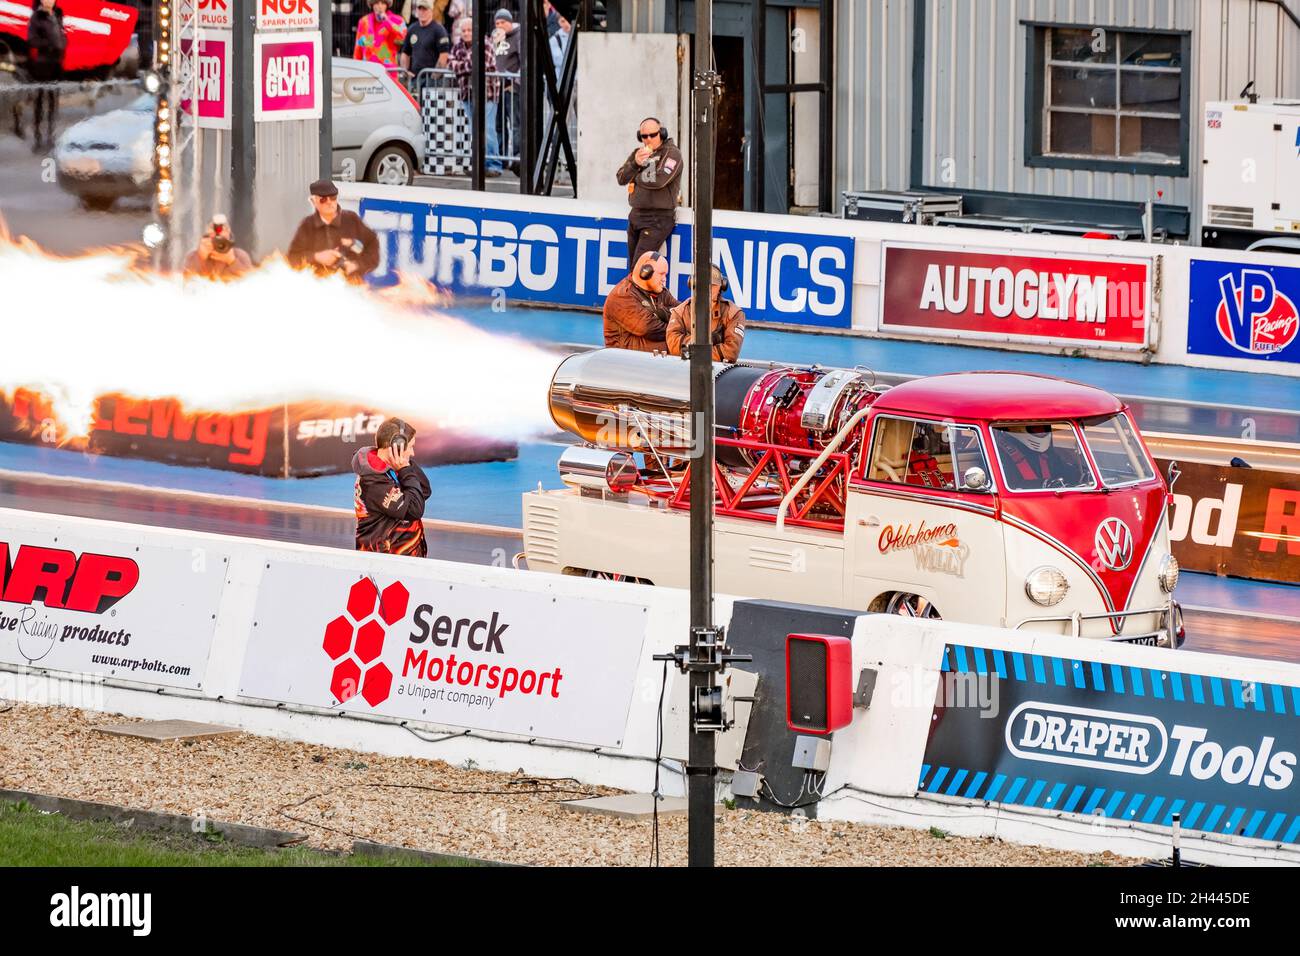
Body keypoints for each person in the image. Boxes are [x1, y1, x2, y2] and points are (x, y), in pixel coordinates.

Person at [353, 417, 432, 557]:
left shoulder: (389, 469)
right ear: (396, 446)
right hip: (386, 563)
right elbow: (415, 510)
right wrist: (405, 468)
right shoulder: (374, 481)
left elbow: (424, 490)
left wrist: (404, 465)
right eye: (411, 447)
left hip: (400, 558)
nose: (412, 453)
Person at [617, 118, 684, 266]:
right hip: (636, 215)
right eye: (644, 136)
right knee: (633, 268)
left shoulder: (672, 154)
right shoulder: (638, 154)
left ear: (662, 134)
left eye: (652, 135)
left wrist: (636, 177)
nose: (648, 139)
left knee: (640, 268)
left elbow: (659, 180)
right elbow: (621, 178)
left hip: (657, 218)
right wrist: (635, 164)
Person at [286, 179, 381, 281]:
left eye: (333, 198)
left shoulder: (351, 219)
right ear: (313, 201)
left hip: (352, 289)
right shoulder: (307, 225)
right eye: (323, 200)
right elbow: (292, 258)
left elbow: (372, 243)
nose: (329, 202)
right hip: (317, 287)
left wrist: (357, 265)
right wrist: (317, 257)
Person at [449, 16, 503, 176]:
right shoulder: (458, 45)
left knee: (488, 129)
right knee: (475, 130)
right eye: (463, 30)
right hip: (467, 93)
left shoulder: (485, 43)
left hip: (487, 92)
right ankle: (480, 165)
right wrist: (465, 65)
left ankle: (494, 165)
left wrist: (461, 65)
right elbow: (450, 63)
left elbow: (478, 65)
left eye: (469, 30)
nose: (466, 33)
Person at [665, 264, 745, 363]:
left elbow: (730, 353)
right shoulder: (680, 311)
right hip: (684, 370)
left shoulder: (734, 313)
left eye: (713, 285)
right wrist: (711, 341)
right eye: (702, 284)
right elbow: (673, 346)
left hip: (718, 372)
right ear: (693, 284)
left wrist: (690, 347)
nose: (707, 289)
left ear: (722, 286)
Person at [603, 251, 679, 353]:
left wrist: (664, 313)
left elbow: (681, 311)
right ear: (645, 272)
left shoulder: (659, 290)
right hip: (624, 360)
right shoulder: (622, 295)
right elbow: (651, 329)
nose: (664, 279)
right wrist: (678, 326)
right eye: (661, 274)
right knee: (681, 344)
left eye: (665, 275)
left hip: (647, 357)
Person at [24, 0, 66, 151]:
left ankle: (51, 136)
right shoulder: (37, 17)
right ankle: (38, 139)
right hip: (43, 64)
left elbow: (61, 34)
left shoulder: (58, 14)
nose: (49, 0)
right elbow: (31, 39)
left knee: (53, 102)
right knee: (40, 102)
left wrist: (62, 45)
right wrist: (49, 45)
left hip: (56, 64)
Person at [993, 425, 1088, 490]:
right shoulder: (997, 454)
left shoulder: (1047, 453)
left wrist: (1082, 476)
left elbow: (1062, 469)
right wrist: (1045, 484)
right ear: (1018, 428)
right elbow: (1010, 485)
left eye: (1045, 427)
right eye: (1037, 428)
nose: (1043, 432)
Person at [491, 8, 521, 168]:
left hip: (512, 87)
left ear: (510, 22)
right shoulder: (495, 37)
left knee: (515, 124)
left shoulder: (518, 35)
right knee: (498, 125)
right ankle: (501, 159)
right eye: (497, 23)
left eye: (503, 22)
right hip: (496, 88)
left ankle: (517, 158)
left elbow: (523, 61)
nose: (500, 25)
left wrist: (515, 83)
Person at [183, 214, 253, 280]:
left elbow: (250, 281)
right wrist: (201, 258)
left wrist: (232, 261)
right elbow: (188, 280)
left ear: (229, 233)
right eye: (214, 231)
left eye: (224, 230)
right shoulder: (193, 256)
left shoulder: (240, 255)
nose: (219, 235)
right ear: (207, 234)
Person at [400, 0, 450, 86]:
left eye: (425, 9)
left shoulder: (439, 30)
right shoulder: (412, 29)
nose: (422, 12)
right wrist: (405, 72)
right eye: (420, 9)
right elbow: (405, 52)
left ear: (431, 10)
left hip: (433, 81)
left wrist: (433, 78)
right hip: (415, 80)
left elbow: (444, 56)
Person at [353, 0, 407, 72]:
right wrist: (355, 69)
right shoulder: (363, 22)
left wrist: (387, 21)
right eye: (376, 3)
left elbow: (403, 39)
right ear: (372, 4)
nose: (380, 6)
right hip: (367, 71)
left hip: (388, 71)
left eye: (383, 3)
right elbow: (358, 47)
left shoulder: (397, 20)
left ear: (387, 5)